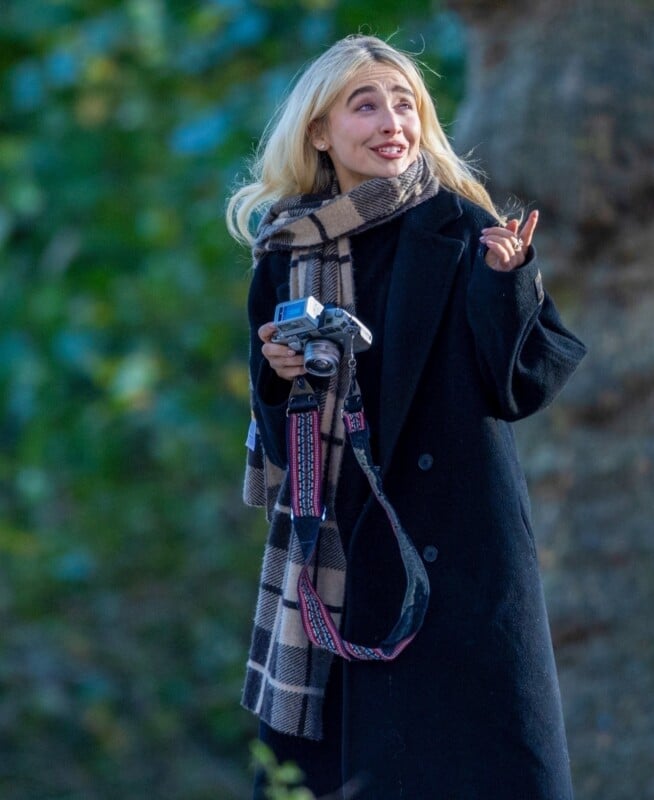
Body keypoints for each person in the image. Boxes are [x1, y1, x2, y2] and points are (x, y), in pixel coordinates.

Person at [228, 34, 586, 800]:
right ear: (320, 131)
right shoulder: (284, 249)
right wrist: (279, 371)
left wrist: (507, 282)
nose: (392, 120)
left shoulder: (463, 228)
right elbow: (278, 424)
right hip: (340, 558)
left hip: (459, 554)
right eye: (366, 104)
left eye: (404, 104)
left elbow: (520, 387)